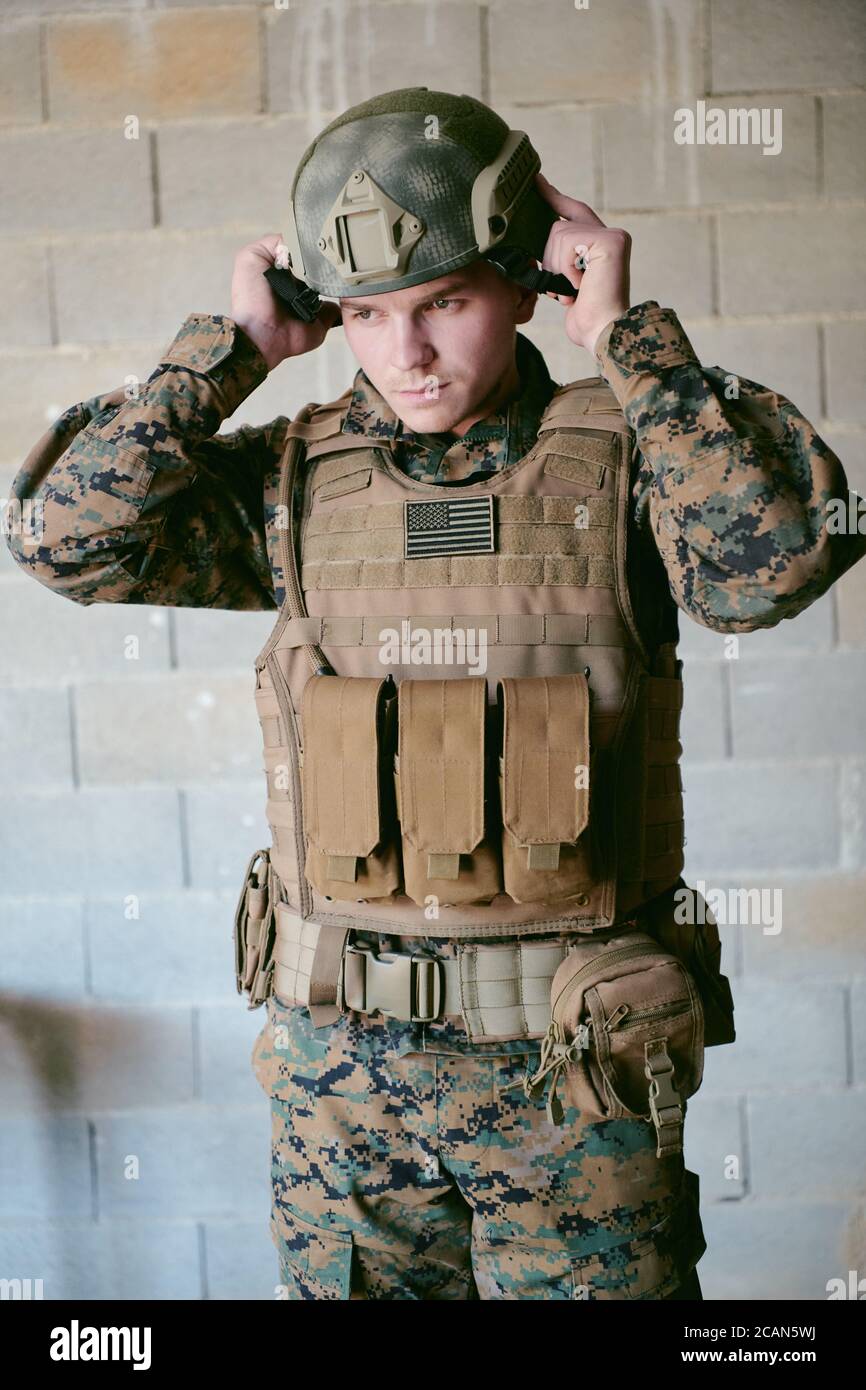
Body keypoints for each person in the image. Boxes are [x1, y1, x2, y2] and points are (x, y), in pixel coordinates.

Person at [6, 87, 865, 1302]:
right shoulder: (295, 483)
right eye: (363, 313)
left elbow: (770, 560)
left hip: (571, 1082)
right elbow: (58, 539)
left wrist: (628, 335)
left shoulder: (624, 462)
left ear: (526, 282)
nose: (403, 354)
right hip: (342, 1101)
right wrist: (228, 354)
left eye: (443, 303)